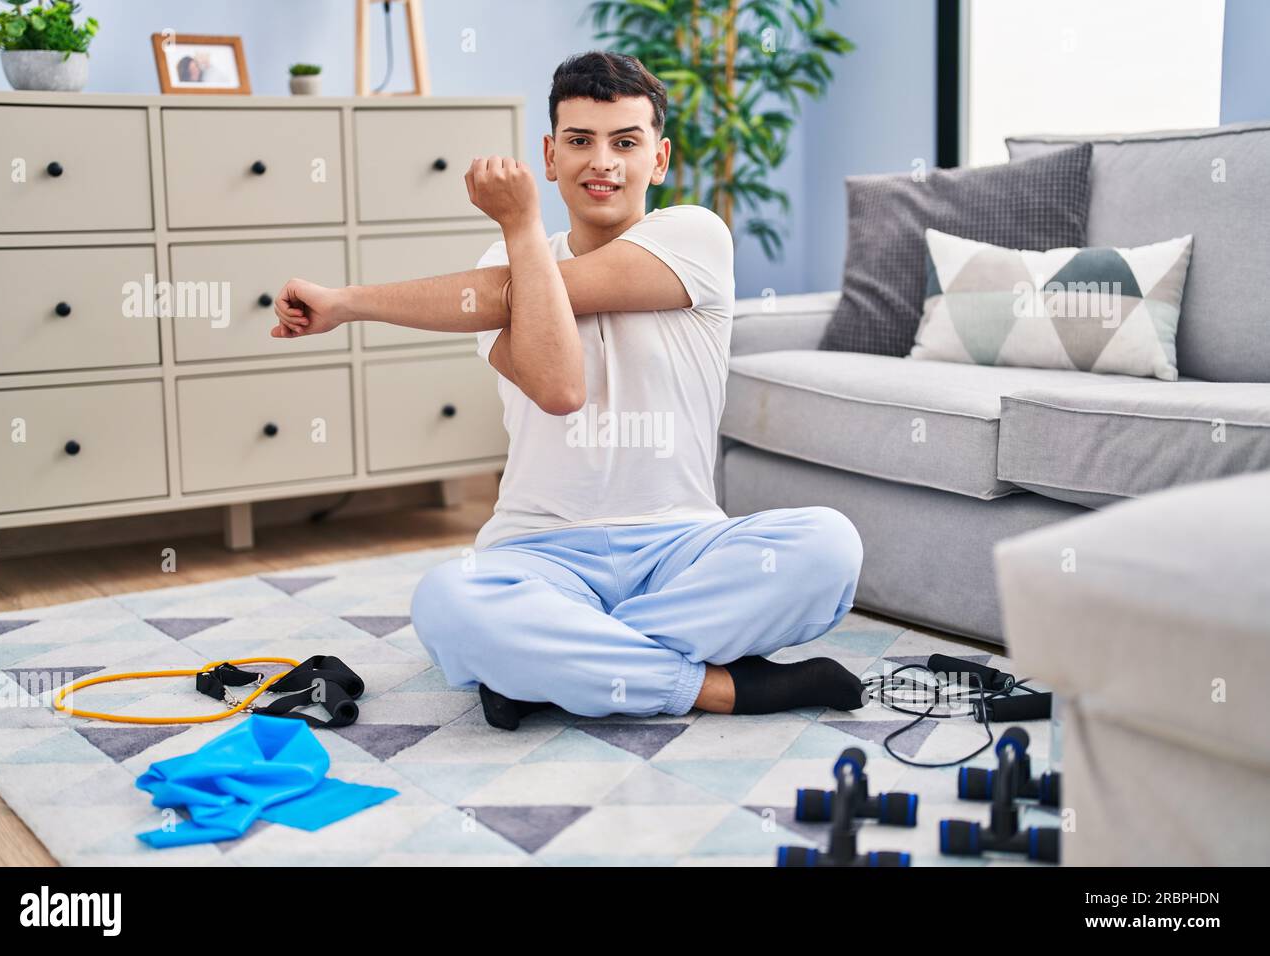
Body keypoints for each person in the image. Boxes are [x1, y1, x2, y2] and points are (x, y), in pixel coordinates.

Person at [271, 51, 866, 730]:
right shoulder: (503, 264)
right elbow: (559, 387)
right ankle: (722, 688)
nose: (602, 162)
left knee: (828, 545)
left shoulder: (697, 235)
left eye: (625, 142)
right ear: (550, 157)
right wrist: (522, 236)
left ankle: (553, 664)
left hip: (680, 546)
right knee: (447, 601)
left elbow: (518, 307)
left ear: (660, 159)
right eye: (580, 142)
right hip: (537, 553)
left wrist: (349, 300)